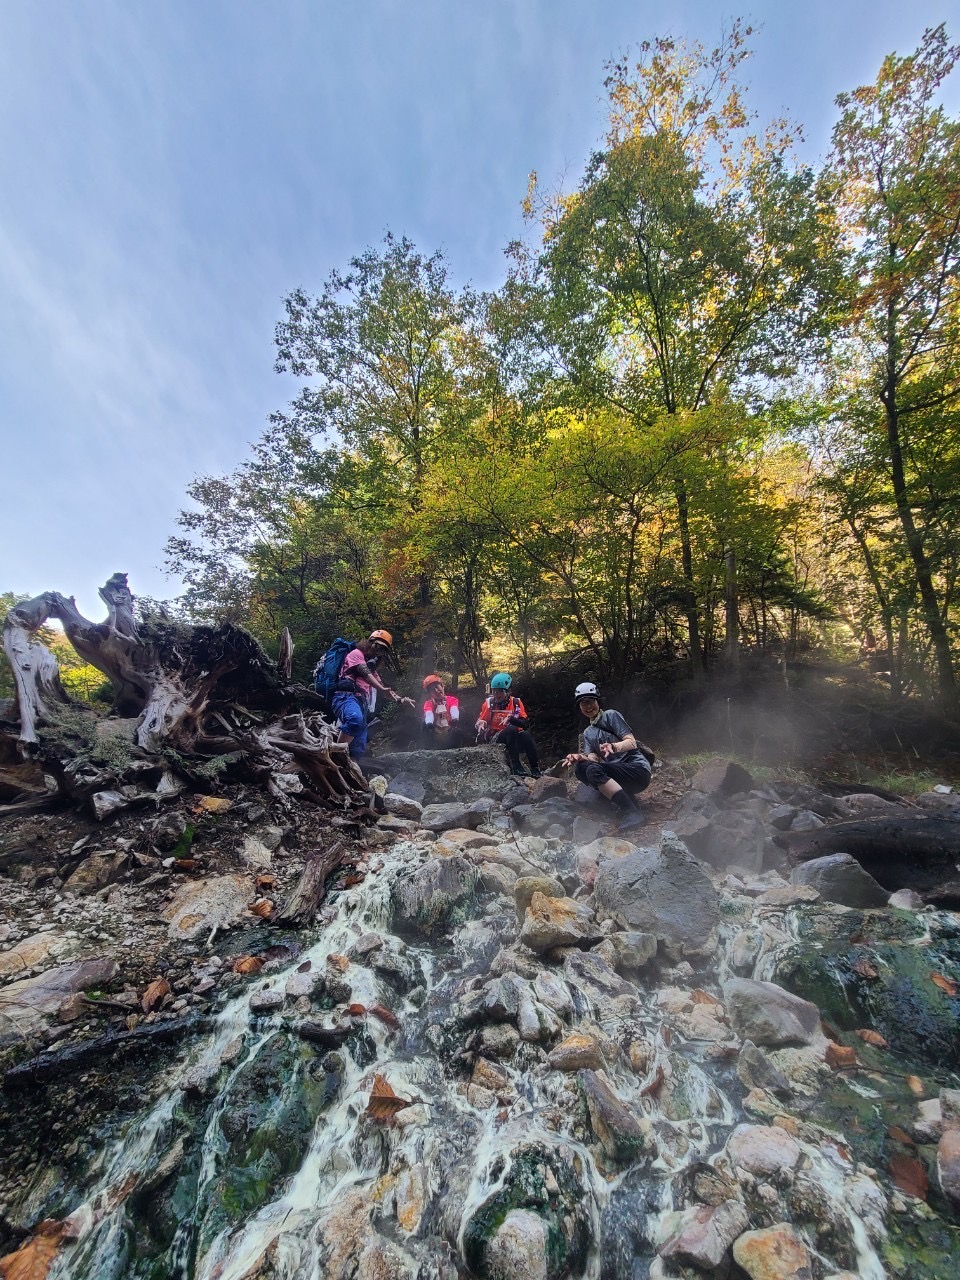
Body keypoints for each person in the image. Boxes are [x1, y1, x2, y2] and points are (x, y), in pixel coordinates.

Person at [562, 682, 652, 831]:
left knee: (592, 770)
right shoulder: (588, 733)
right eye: (583, 704)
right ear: (579, 707)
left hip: (637, 770)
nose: (588, 706)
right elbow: (594, 760)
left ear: (598, 701)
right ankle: (627, 800)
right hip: (619, 773)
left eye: (591, 701)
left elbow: (631, 742)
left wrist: (614, 746)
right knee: (582, 769)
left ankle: (632, 813)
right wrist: (579, 757)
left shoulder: (611, 715)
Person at [333, 630, 414, 759]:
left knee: (358, 748)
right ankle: (334, 755)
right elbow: (364, 672)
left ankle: (347, 771)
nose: (378, 651)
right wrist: (381, 688)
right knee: (354, 721)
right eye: (377, 646)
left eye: (383, 650)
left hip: (360, 703)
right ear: (369, 642)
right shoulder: (356, 654)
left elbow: (385, 689)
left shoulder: (372, 669)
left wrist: (400, 699)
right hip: (346, 697)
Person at [475, 672, 542, 778]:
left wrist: (511, 719)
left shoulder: (516, 703)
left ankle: (535, 768)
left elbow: (524, 724)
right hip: (496, 737)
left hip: (514, 738)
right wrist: (481, 723)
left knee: (526, 735)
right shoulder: (489, 703)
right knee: (511, 729)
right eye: (494, 691)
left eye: (500, 691)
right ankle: (516, 766)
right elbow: (481, 721)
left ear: (508, 691)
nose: (497, 694)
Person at [421, 674, 464, 748]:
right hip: (435, 731)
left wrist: (455, 718)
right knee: (424, 724)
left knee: (460, 728)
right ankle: (427, 749)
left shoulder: (452, 700)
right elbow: (429, 713)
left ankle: (457, 748)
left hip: (449, 729)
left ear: (442, 686)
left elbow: (454, 709)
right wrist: (429, 723)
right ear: (429, 693)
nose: (436, 691)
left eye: (437, 687)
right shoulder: (428, 704)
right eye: (432, 690)